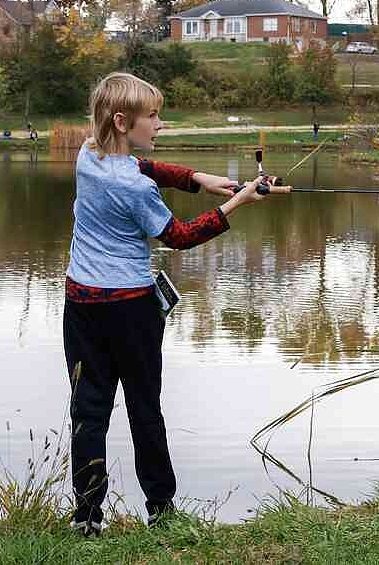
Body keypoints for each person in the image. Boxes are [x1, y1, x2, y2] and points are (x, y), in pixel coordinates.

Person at [63, 72, 272, 537]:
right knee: (144, 407)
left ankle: (87, 518)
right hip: (131, 311)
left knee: (88, 410)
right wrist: (237, 201)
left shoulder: (87, 154)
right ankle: (160, 509)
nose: (160, 124)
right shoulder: (134, 190)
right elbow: (179, 237)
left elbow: (146, 167)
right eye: (153, 116)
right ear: (122, 121)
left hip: (80, 304)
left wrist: (199, 179)